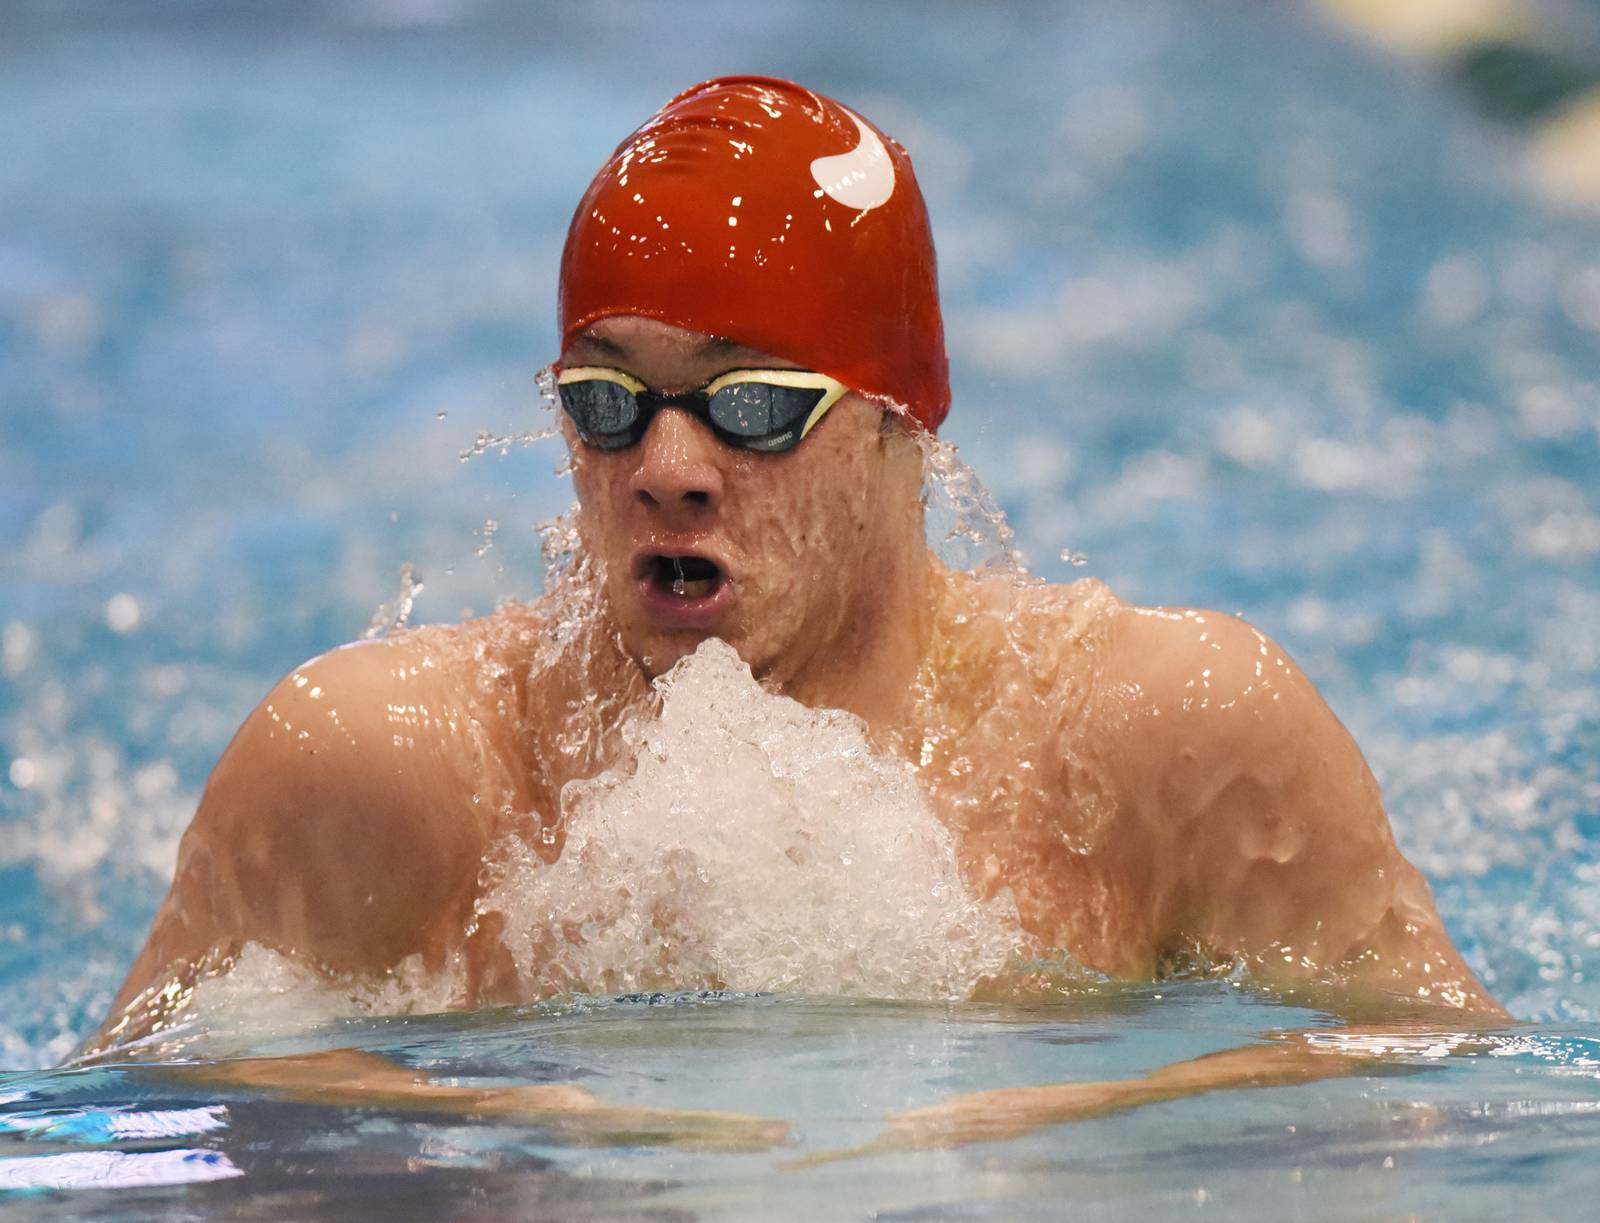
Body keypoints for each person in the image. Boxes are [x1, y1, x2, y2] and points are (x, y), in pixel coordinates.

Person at [88, 78, 1504, 1129]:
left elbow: (1442, 1080)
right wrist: (490, 1122)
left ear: (906, 424)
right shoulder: (389, 770)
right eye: (606, 402)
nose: (668, 469)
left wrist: (1089, 1113)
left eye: (755, 405)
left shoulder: (1161, 738)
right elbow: (117, 1127)